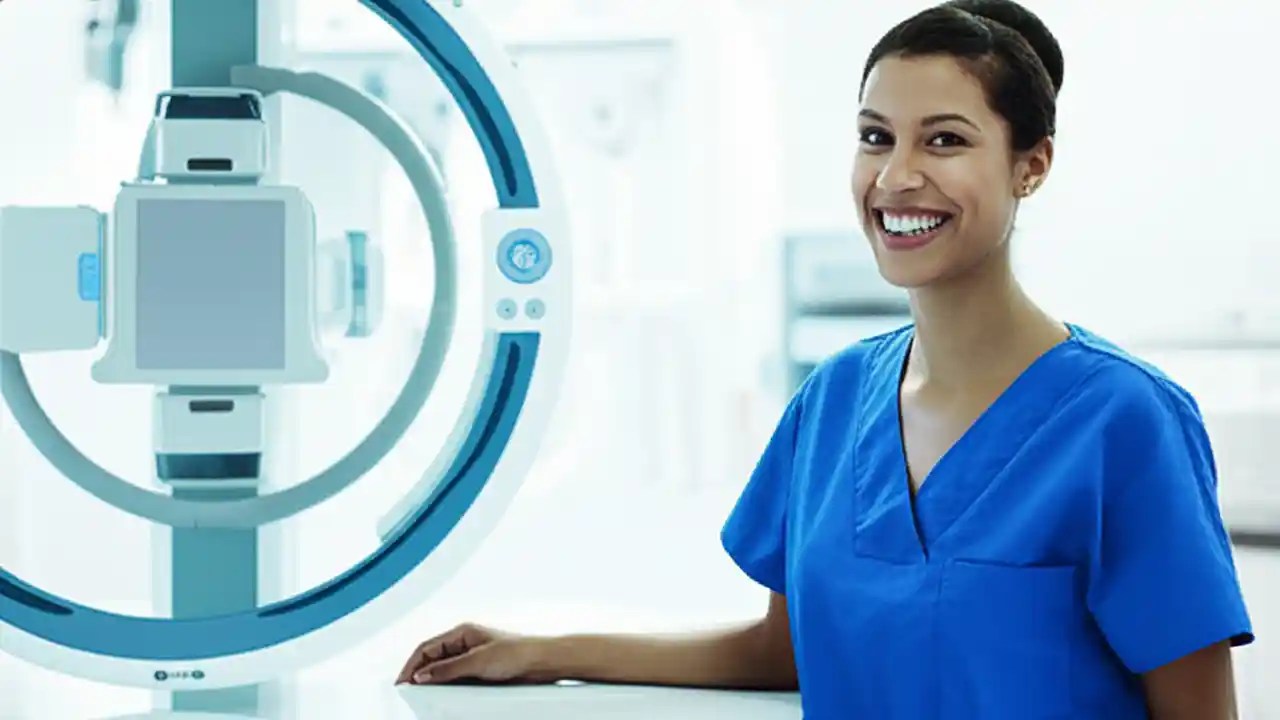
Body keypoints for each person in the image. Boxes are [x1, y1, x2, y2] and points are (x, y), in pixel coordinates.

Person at [395, 1, 1256, 716]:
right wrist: (542, 652)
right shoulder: (835, 400)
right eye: (876, 137)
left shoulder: (1124, 421)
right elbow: (786, 650)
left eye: (946, 141)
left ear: (1031, 167)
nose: (897, 176)